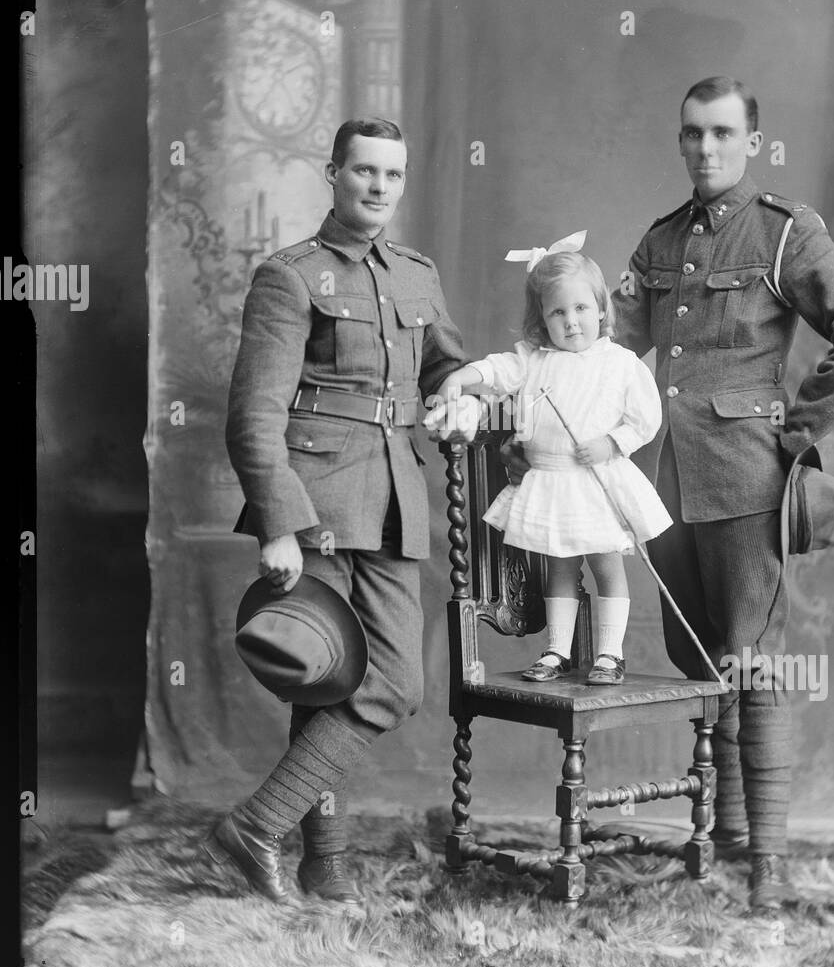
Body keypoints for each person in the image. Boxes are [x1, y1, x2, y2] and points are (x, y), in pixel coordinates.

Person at [607, 74, 834, 911]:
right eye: (693, 134)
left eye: (723, 134)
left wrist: (796, 435)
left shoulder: (783, 232)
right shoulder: (659, 244)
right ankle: (727, 838)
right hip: (663, 488)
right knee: (703, 663)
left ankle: (768, 861)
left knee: (755, 664)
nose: (706, 149)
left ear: (753, 142)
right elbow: (613, 352)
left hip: (743, 481)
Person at [206, 117, 477, 907]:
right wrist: (280, 525)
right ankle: (324, 865)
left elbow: (446, 369)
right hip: (317, 502)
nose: (380, 188)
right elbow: (253, 415)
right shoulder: (291, 277)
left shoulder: (419, 276)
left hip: (396, 501)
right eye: (364, 172)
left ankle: (256, 826)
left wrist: (464, 393)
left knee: (392, 681)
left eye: (393, 176)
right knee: (323, 680)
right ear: (334, 173)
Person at [426, 239, 670, 686]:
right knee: (559, 567)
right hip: (550, 481)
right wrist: (464, 376)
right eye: (558, 313)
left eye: (581, 308)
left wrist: (612, 443)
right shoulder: (533, 360)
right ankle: (558, 648)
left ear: (601, 309)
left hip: (596, 481)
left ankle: (610, 654)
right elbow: (498, 370)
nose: (571, 321)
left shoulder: (620, 364)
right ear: (543, 319)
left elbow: (645, 420)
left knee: (605, 565)